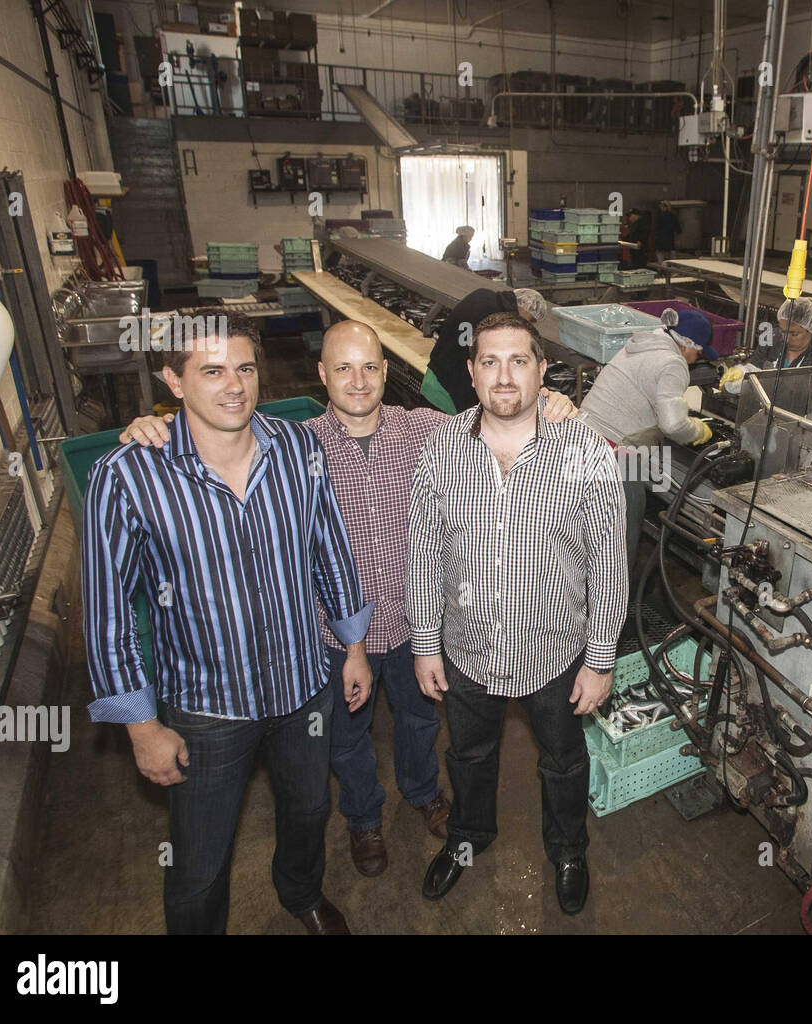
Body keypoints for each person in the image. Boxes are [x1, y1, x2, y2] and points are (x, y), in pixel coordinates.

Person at [117, 319, 578, 881]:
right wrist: (156, 423)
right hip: (335, 635)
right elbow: (215, 424)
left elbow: (501, 407)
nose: (357, 381)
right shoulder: (291, 445)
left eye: (369, 367)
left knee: (418, 721)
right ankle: (363, 818)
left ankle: (424, 794)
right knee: (343, 738)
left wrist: (554, 401)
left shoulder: (426, 433)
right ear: (321, 375)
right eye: (342, 368)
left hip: (416, 628)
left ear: (386, 372)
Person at [83, 313, 372, 935]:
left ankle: (301, 893)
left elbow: (330, 547)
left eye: (244, 368)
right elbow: (107, 612)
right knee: (199, 859)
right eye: (211, 371)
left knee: (308, 809)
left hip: (303, 689)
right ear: (173, 380)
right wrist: (140, 726)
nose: (234, 385)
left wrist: (353, 645)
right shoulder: (127, 477)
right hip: (207, 708)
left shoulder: (298, 448)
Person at [408, 311, 627, 916]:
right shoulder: (442, 448)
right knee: (469, 755)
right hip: (468, 648)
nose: (505, 376)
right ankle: (468, 837)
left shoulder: (586, 451)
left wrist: (601, 661)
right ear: (472, 373)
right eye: (489, 362)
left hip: (555, 652)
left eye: (519, 361)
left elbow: (608, 565)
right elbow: (424, 554)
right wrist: (426, 644)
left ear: (542, 371)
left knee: (563, 760)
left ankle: (568, 848)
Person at [577, 307, 719, 573]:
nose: (694, 360)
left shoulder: (640, 345)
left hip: (581, 441)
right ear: (689, 346)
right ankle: (615, 604)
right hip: (614, 454)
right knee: (623, 530)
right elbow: (674, 424)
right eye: (697, 354)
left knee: (582, 531)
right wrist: (698, 431)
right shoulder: (673, 362)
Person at [422, 286, 550, 414]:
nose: (528, 324)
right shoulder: (501, 322)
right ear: (526, 307)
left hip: (435, 376)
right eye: (531, 319)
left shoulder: (482, 295)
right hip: (450, 393)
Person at [756, 296, 812, 369]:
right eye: (783, 331)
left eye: (794, 334)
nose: (787, 339)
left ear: (811, 329)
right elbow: (754, 368)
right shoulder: (771, 339)